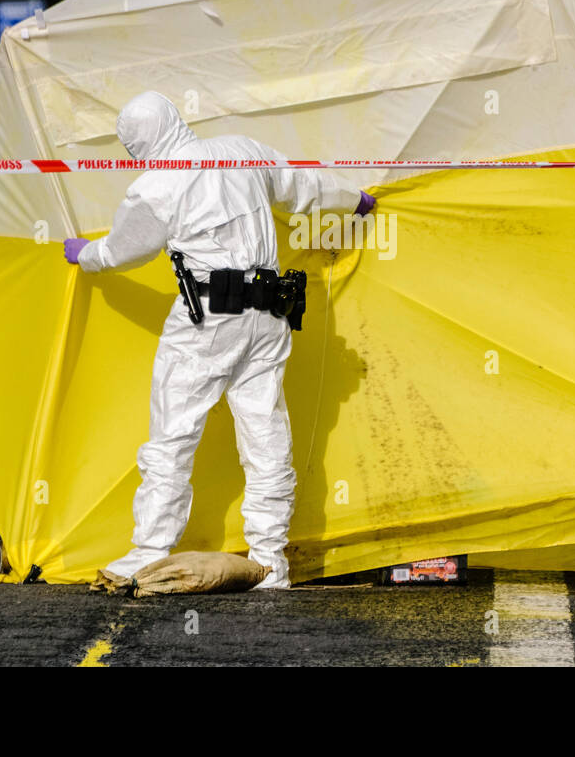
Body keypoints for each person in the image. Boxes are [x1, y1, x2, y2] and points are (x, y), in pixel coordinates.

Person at [64, 91, 374, 589]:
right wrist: (353, 199)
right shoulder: (241, 149)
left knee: (173, 434)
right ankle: (271, 559)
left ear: (139, 143)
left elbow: (124, 250)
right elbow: (304, 185)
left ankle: (148, 550)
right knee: (265, 432)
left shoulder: (155, 186)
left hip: (208, 318)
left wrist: (86, 254)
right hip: (270, 310)